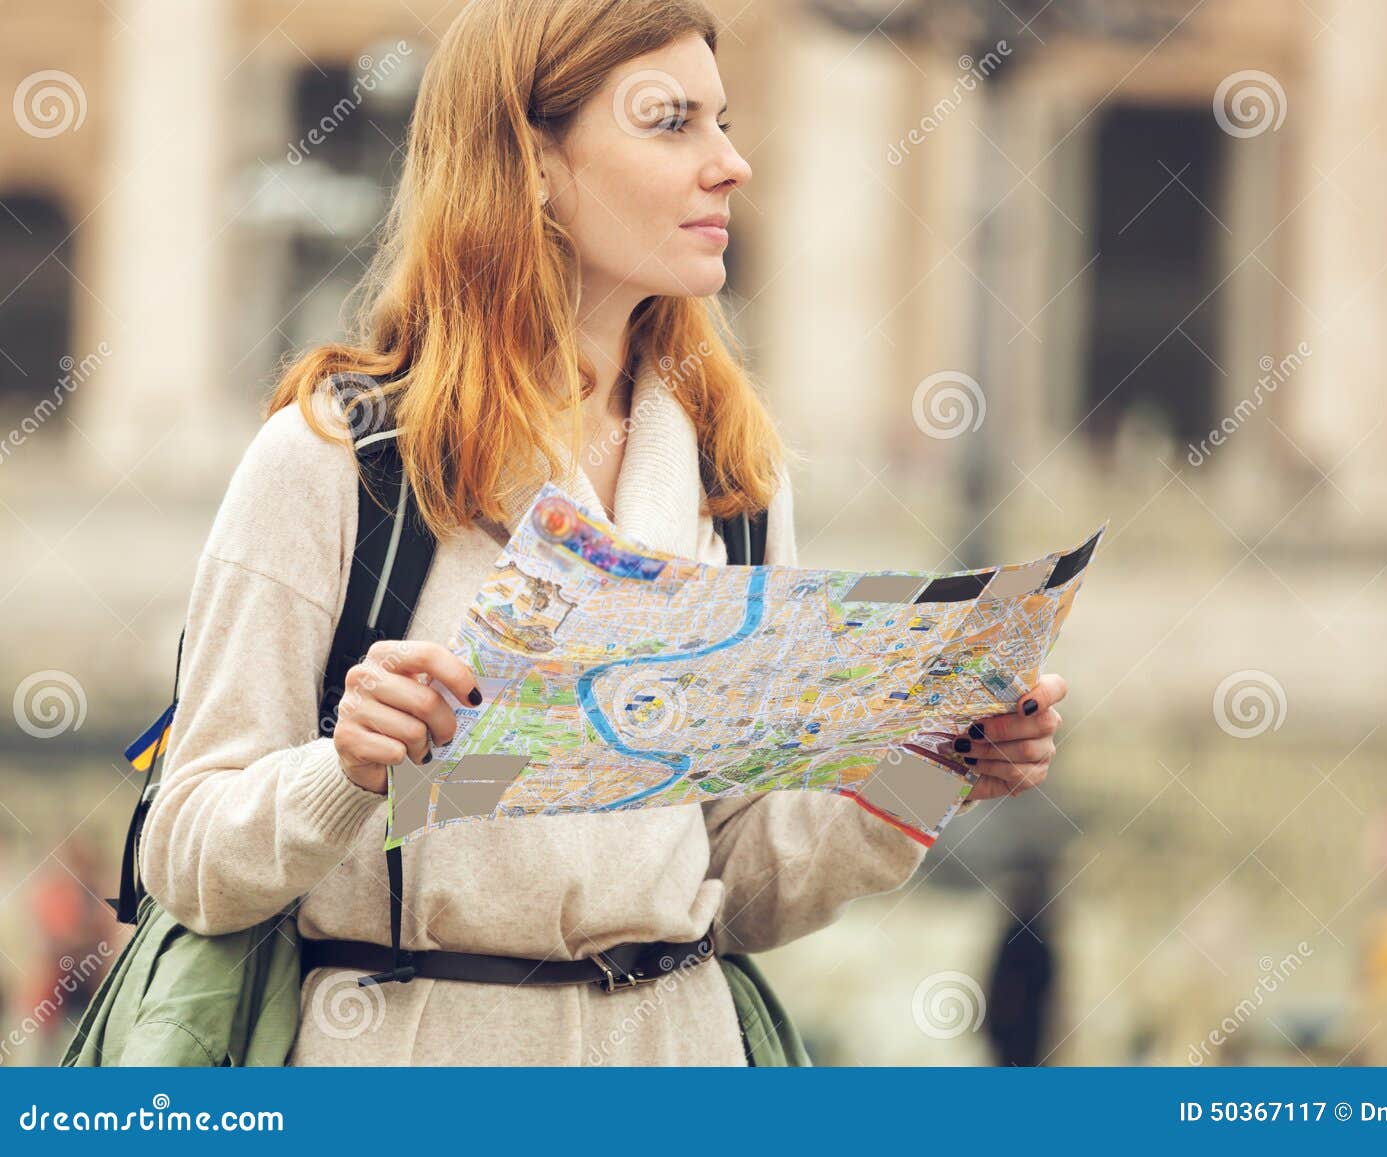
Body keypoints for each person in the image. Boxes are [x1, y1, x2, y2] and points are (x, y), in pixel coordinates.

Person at [137, 0, 1068, 1065]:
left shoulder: (734, 477)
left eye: (722, 122)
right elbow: (189, 851)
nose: (730, 165)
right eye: (672, 123)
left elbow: (741, 880)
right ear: (531, 162)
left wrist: (923, 763)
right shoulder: (333, 465)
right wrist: (342, 769)